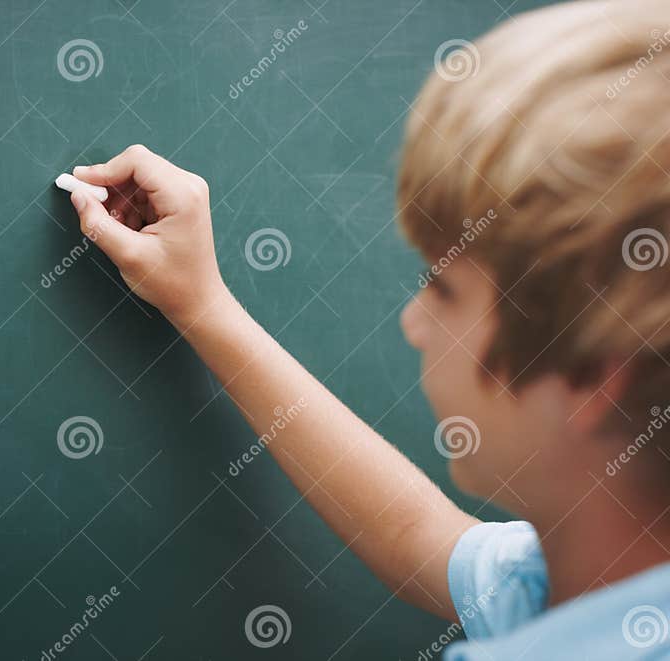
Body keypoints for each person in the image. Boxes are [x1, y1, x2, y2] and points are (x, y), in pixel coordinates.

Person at [65, 1, 670, 657]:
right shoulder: (595, 575)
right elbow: (418, 536)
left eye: (443, 288)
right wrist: (202, 305)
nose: (414, 321)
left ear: (586, 376)